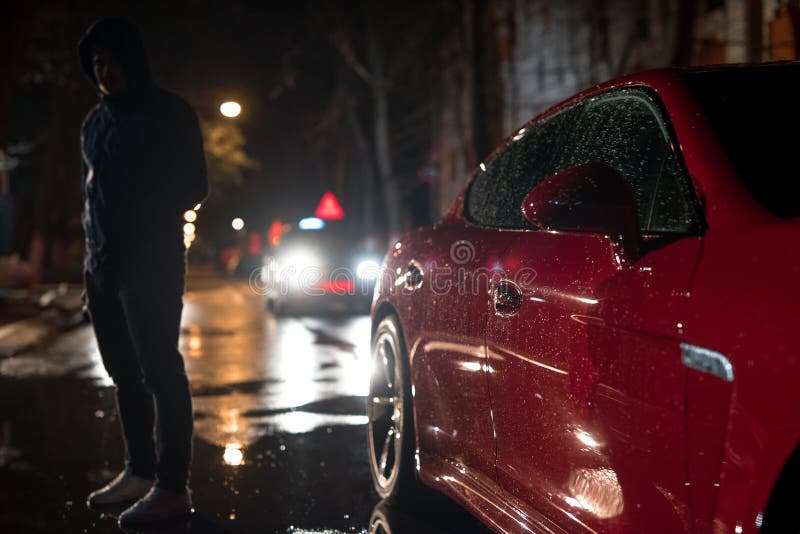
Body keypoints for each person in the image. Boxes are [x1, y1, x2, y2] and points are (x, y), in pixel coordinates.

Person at [77, 18, 207, 527]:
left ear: (133, 58)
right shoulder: (93, 122)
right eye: (96, 65)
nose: (104, 71)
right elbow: (91, 199)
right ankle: (140, 471)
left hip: (151, 263)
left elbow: (194, 184)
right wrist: (90, 267)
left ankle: (174, 488)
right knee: (122, 373)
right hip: (102, 267)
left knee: (160, 372)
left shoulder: (170, 112)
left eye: (110, 60)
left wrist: (141, 218)